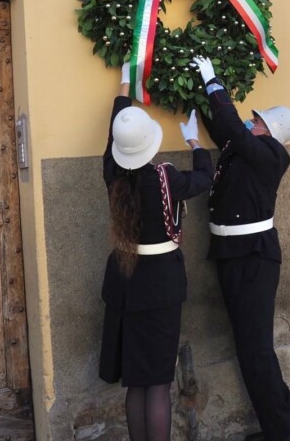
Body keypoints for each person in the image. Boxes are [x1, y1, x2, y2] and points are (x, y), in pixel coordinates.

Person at [99, 64, 213, 441]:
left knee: (135, 384)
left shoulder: (112, 172)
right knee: (159, 385)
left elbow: (117, 127)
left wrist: (124, 85)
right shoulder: (166, 177)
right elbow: (204, 180)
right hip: (161, 286)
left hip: (125, 281)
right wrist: (195, 143)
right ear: (150, 141)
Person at [193, 56, 290, 441]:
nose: (249, 123)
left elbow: (234, 133)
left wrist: (215, 81)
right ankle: (283, 422)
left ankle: (284, 434)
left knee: (256, 352)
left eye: (256, 121)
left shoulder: (272, 155)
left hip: (255, 258)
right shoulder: (246, 148)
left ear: (268, 132)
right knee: (250, 347)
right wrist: (197, 95)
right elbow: (225, 129)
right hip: (231, 255)